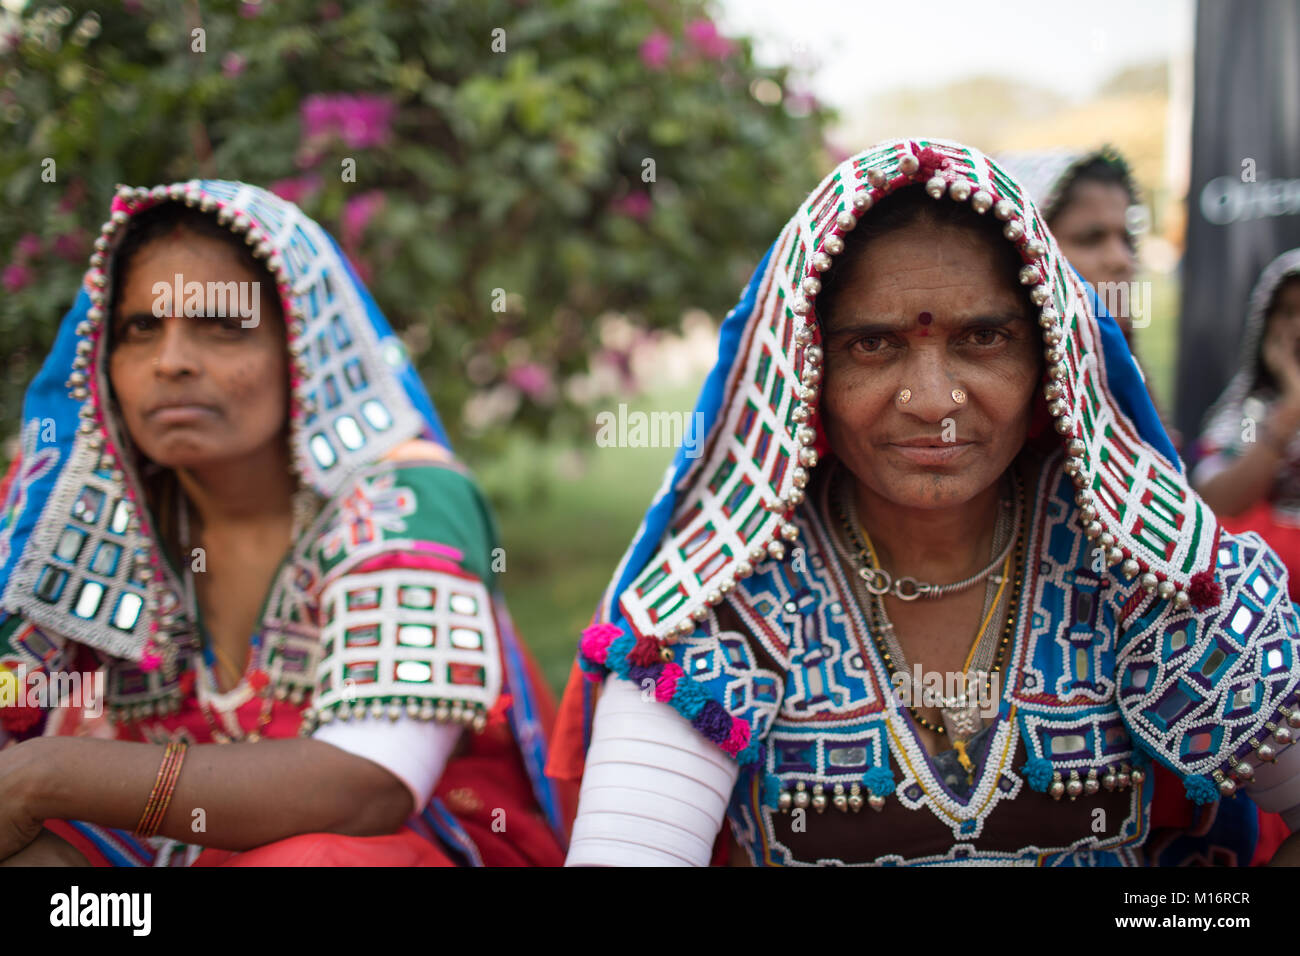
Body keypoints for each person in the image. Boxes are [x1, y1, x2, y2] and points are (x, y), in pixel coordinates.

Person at [546, 138, 1300, 866]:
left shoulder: (1143, 570)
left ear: (1048, 356)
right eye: (872, 345)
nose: (934, 400)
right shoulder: (727, 598)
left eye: (983, 338)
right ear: (807, 370)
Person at [0, 181, 570, 866]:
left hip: (400, 847)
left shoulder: (405, 498)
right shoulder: (86, 514)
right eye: (140, 329)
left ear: (302, 351)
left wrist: (51, 774)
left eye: (223, 325)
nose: (171, 360)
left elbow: (370, 785)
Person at [1193, 250, 1300, 599]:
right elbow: (1220, 500)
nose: (1297, 326)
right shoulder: (1252, 413)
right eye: (1287, 312)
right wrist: (1291, 407)